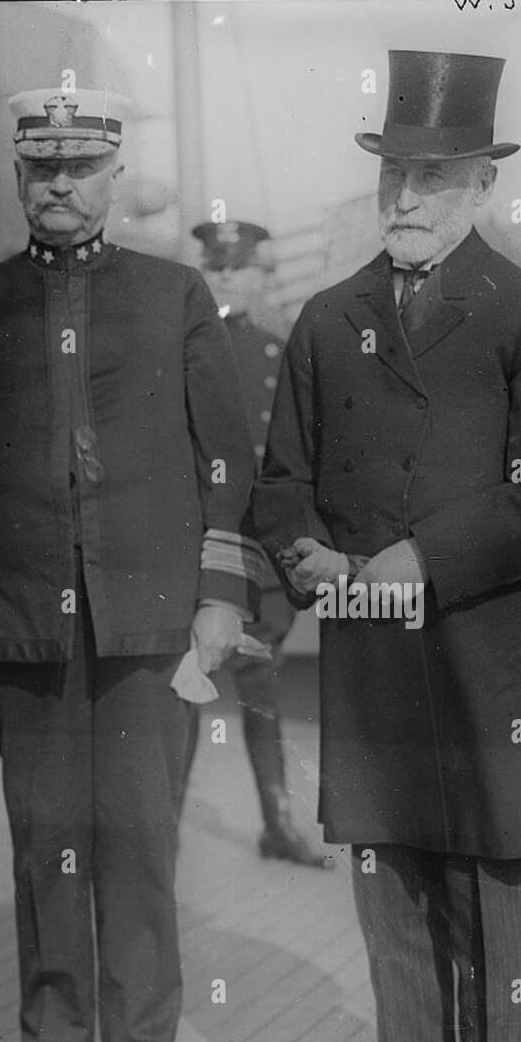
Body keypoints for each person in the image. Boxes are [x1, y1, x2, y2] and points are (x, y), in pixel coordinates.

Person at [252, 50, 521, 1042]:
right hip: (367, 654)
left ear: (480, 188)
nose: (404, 197)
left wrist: (428, 556)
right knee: (387, 879)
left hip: (483, 657)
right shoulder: (325, 317)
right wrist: (302, 553)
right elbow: (280, 479)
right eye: (395, 172)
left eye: (433, 176)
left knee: (485, 899)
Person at [0, 88, 261, 1042]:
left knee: (138, 844)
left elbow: (225, 460)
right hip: (22, 619)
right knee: (45, 849)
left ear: (116, 176)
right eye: (42, 170)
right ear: (23, 178)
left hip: (150, 626)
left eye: (81, 168)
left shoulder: (175, 296)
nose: (62, 186)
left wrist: (218, 595)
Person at [192, 219, 330, 867]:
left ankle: (277, 822)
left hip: (259, 552)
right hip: (193, 550)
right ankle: (156, 831)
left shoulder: (281, 355)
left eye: (238, 269)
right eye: (216, 269)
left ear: (260, 275)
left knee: (261, 690)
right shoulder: (183, 349)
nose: (226, 278)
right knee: (176, 689)